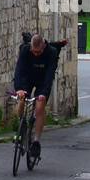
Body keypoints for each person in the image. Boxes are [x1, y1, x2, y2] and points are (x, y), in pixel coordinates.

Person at [13, 32, 60, 162]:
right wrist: (19, 89)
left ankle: (36, 141)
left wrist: (44, 93)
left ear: (43, 46)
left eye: (38, 52)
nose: (35, 54)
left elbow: (50, 75)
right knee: (21, 99)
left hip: (42, 81)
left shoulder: (51, 52)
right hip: (27, 79)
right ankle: (21, 126)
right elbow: (19, 70)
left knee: (39, 108)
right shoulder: (25, 50)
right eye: (33, 52)